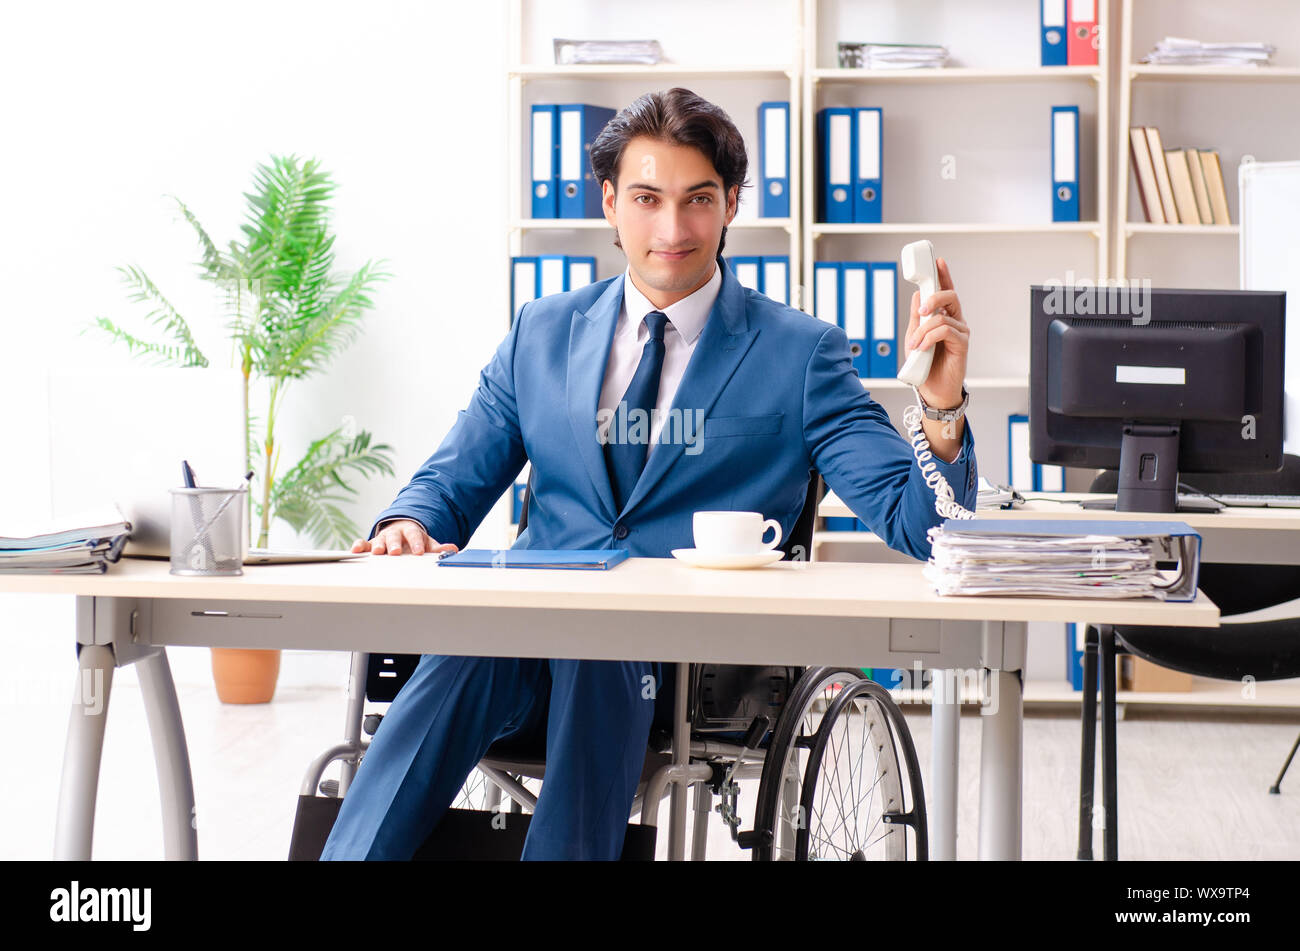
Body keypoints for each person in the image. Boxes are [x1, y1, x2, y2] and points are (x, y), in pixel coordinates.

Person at [320, 87, 978, 861]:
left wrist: (940, 409)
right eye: (647, 198)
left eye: (698, 199)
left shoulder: (800, 354)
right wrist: (409, 523)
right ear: (609, 202)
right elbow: (450, 479)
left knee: (606, 638)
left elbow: (927, 528)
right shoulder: (542, 331)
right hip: (524, 647)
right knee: (468, 640)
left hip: (688, 671)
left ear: (732, 203)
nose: (673, 229)